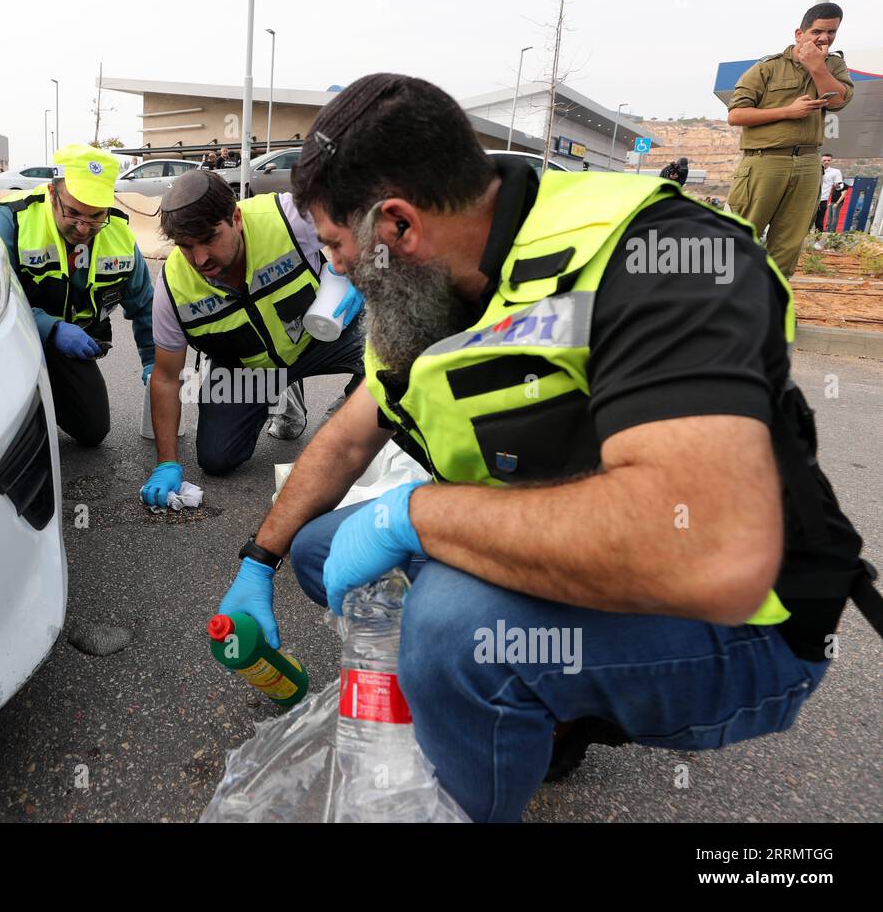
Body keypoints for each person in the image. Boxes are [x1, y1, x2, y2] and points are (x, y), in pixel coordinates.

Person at [214, 73, 881, 822]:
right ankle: (534, 705)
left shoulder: (662, 258)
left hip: (749, 623)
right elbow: (346, 436)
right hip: (580, 558)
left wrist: (414, 516)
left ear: (396, 227)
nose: (333, 267)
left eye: (336, 245)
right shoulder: (434, 285)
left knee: (454, 628)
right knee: (320, 549)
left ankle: (484, 757)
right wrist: (257, 560)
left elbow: (701, 545)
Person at [139, 171, 365, 504]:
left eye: (209, 238)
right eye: (186, 246)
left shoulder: (288, 218)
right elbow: (167, 378)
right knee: (217, 459)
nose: (200, 259)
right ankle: (284, 390)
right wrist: (167, 462)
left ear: (236, 218)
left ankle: (355, 410)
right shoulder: (172, 289)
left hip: (321, 338)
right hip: (252, 370)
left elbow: (365, 222)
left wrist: (357, 271)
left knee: (393, 349)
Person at [0, 144, 155, 446]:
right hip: (4, 344)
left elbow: (144, 306)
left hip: (63, 350)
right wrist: (51, 328)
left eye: (95, 216)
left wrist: (154, 361)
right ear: (52, 192)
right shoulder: (9, 222)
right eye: (73, 212)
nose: (82, 227)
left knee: (92, 430)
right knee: (9, 438)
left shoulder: (120, 237)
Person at [726, 2, 854, 277]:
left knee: (789, 242)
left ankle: (770, 305)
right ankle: (720, 303)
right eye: (817, 31)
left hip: (808, 162)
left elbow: (840, 100)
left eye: (831, 32)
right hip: (765, 161)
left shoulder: (834, 65)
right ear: (799, 34)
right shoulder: (767, 68)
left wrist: (817, 67)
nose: (824, 38)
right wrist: (788, 111)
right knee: (740, 234)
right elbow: (736, 115)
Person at [815, 154, 845, 232]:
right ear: (820, 160)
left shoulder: (835, 172)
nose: (826, 162)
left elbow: (840, 185)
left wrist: (837, 186)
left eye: (828, 160)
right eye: (824, 160)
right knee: (805, 221)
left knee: (819, 222)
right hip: (810, 199)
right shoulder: (814, 170)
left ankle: (817, 240)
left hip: (822, 199)